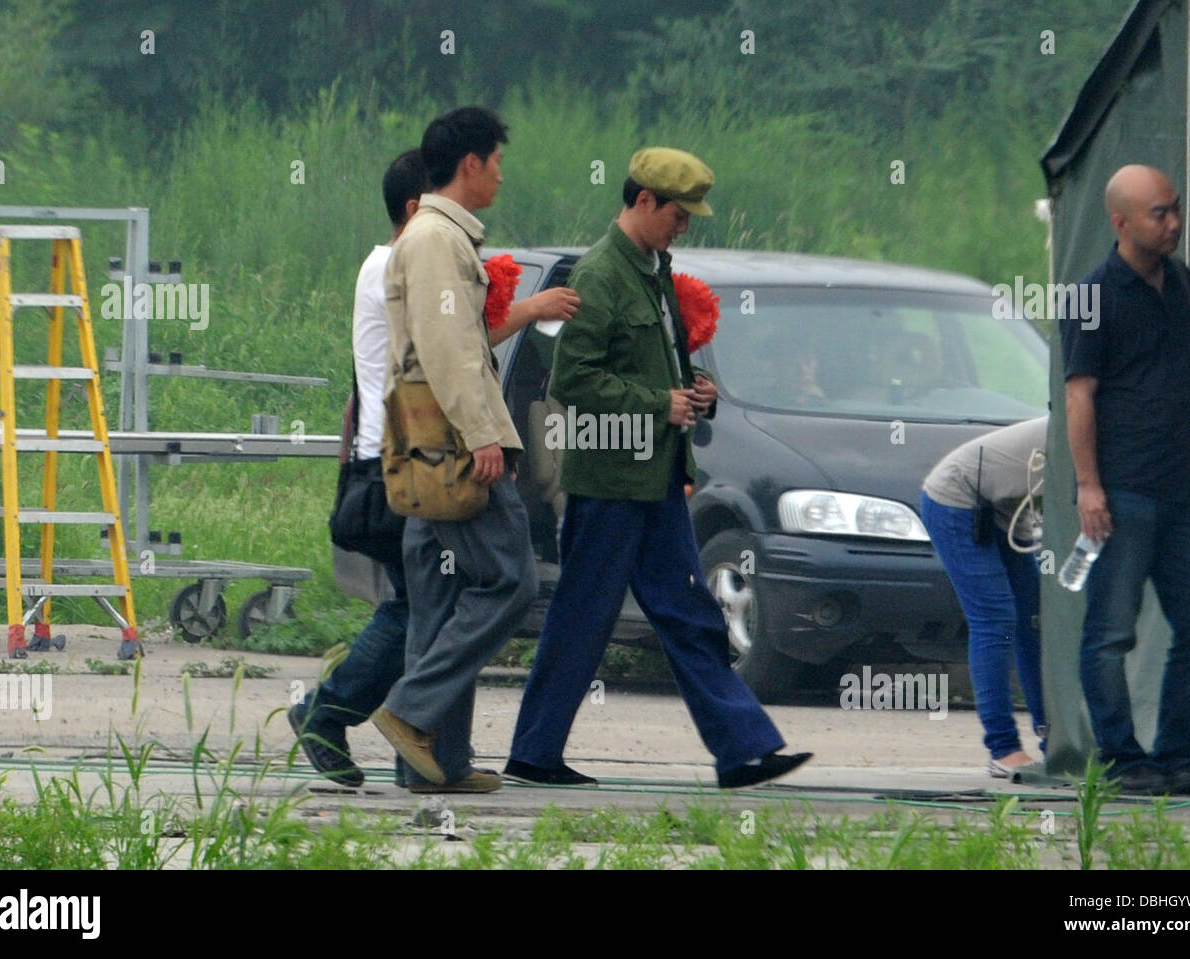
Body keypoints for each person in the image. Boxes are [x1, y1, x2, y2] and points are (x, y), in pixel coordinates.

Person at [504, 148, 811, 789]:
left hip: (659, 479)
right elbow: (574, 379)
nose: (684, 226)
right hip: (609, 484)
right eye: (678, 213)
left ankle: (743, 750)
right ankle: (534, 754)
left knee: (689, 612)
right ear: (643, 201)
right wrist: (656, 403)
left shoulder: (654, 270)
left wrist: (696, 388)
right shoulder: (600, 274)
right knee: (582, 619)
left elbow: (663, 364)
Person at [288, 145, 577, 791]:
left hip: (400, 455)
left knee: (428, 602)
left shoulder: (392, 260)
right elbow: (450, 346)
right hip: (405, 463)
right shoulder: (403, 260)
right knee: (417, 608)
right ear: (419, 207)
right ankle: (332, 713)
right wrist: (526, 310)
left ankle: (426, 757)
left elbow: (458, 339)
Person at [1061, 164, 1190, 795]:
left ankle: (1175, 756)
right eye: (1159, 214)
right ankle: (1121, 759)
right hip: (1122, 488)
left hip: (1185, 487)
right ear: (1120, 223)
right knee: (1111, 632)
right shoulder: (1093, 295)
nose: (1173, 222)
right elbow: (1079, 394)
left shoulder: (1180, 280)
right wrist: (1089, 486)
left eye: (1175, 209)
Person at [369, 107, 541, 794]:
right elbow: (450, 352)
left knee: (441, 594)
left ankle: (435, 763)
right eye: (496, 160)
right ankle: (412, 711)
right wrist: (484, 436)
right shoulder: (439, 240)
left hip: (425, 448)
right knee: (509, 580)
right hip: (454, 449)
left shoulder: (431, 236)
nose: (501, 172)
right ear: (469, 164)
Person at [920, 416, 1047, 778]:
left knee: (1032, 622)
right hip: (956, 498)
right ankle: (1003, 749)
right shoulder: (1087, 421)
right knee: (996, 620)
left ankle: (1052, 739)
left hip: (1004, 510)